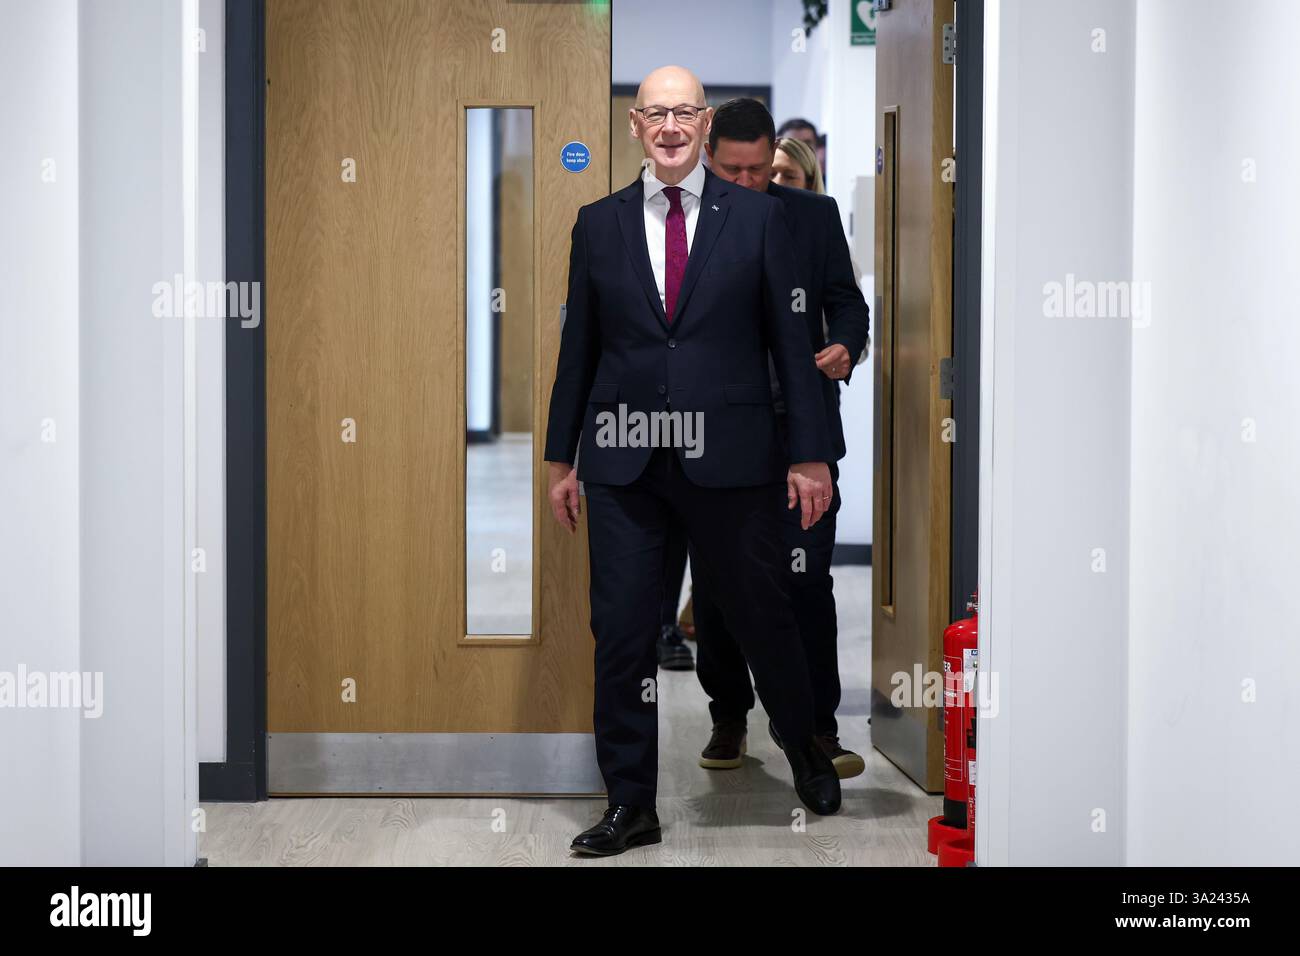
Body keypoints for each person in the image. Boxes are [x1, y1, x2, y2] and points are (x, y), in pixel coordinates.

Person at [545, 67, 842, 856]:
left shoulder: (756, 219)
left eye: (685, 112)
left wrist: (809, 456)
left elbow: (791, 342)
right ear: (636, 126)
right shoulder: (597, 223)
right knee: (622, 634)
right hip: (624, 463)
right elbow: (579, 349)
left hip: (735, 458)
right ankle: (631, 804)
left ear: (704, 123)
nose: (671, 126)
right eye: (656, 114)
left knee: (762, 615)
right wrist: (558, 459)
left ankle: (806, 744)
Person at [697, 97, 870, 778]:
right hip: (716, 435)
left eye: (757, 170)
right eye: (732, 170)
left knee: (806, 584)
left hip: (801, 431)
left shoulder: (810, 215)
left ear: (774, 156)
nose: (746, 183)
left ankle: (817, 729)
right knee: (716, 586)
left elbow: (847, 301)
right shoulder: (689, 221)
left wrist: (844, 345)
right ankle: (729, 717)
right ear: (710, 158)